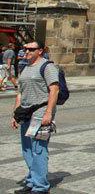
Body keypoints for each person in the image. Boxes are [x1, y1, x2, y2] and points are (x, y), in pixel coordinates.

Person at [11, 40, 60, 193]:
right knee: (27, 149)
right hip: (25, 114)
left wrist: (48, 113)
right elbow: (20, 93)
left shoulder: (47, 66)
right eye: (25, 49)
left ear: (40, 51)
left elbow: (54, 90)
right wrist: (15, 114)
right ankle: (33, 180)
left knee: (38, 149)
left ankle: (41, 187)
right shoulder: (25, 68)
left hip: (40, 114)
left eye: (31, 49)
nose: (27, 51)